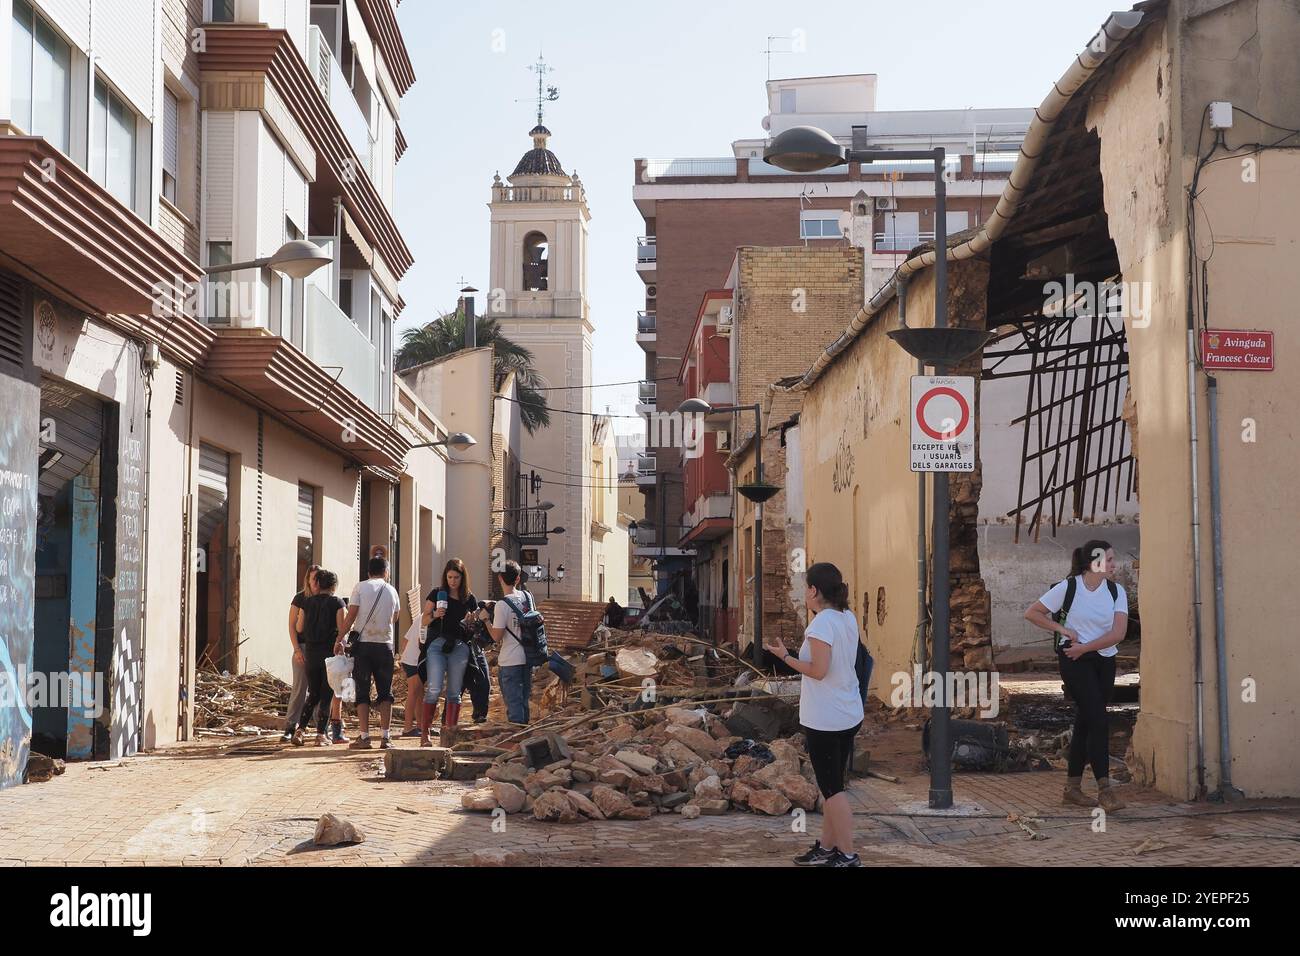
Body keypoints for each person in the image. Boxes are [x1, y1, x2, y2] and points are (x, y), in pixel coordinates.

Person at [765, 561, 865, 868]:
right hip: (847, 712)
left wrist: (785, 657)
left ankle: (848, 855)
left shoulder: (821, 623)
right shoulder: (846, 617)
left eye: (806, 588)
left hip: (826, 718)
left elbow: (818, 671)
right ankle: (826, 848)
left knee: (832, 791)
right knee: (833, 785)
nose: (804, 594)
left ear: (813, 590)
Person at [1024, 540, 1129, 812]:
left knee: (1086, 721)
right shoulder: (1068, 588)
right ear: (1094, 562)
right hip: (1074, 659)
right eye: (1109, 559)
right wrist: (1062, 630)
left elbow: (1118, 633)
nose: (1114, 564)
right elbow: (1032, 613)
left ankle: (1071, 789)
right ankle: (1105, 790)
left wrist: (1087, 646)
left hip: (1104, 660)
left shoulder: (1117, 592)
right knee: (1098, 720)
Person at [340, 556, 401, 749]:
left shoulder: (360, 587)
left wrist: (339, 639)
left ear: (368, 572)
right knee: (385, 692)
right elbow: (395, 617)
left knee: (362, 691)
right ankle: (385, 737)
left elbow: (351, 616)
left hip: (364, 647)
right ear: (386, 572)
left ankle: (364, 737)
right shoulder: (392, 590)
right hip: (385, 646)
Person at [419, 558, 478, 746]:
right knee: (434, 688)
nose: (453, 581)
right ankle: (425, 735)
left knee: (454, 692)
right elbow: (423, 620)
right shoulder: (437, 593)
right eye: (450, 576)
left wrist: (471, 621)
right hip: (437, 643)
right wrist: (435, 614)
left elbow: (475, 626)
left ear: (463, 578)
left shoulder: (469, 598)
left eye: (457, 577)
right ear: (445, 576)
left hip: (459, 646)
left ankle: (449, 736)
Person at [480, 560, 538, 725]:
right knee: (523, 701)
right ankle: (526, 737)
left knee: (513, 704)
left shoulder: (502, 605)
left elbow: (496, 636)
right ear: (518, 579)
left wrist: (486, 621)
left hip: (510, 660)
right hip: (528, 657)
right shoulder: (527, 597)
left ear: (499, 578)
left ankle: (517, 739)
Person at [297, 569, 348, 747]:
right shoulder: (338, 603)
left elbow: (299, 627)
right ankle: (320, 734)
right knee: (326, 695)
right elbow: (342, 629)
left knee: (313, 694)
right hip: (329, 653)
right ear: (334, 586)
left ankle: (300, 730)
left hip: (311, 653)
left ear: (317, 584)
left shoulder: (307, 602)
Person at [281, 564, 319, 745]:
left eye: (318, 579)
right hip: (303, 648)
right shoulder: (300, 598)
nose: (316, 583)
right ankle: (290, 727)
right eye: (313, 579)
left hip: (320, 649)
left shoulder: (326, 599)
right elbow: (292, 626)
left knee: (320, 689)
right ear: (307, 580)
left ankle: (321, 727)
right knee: (299, 688)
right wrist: (296, 649)